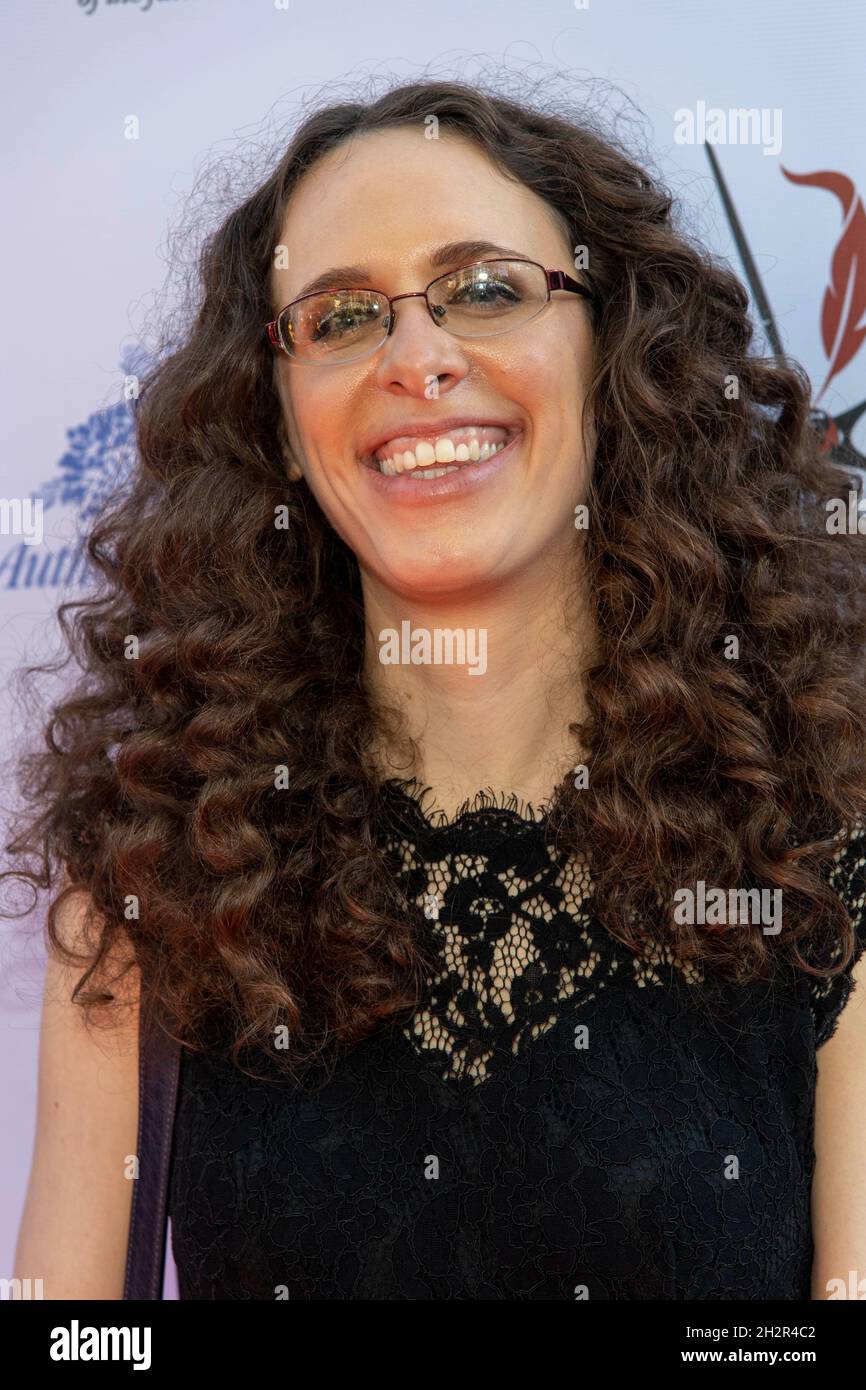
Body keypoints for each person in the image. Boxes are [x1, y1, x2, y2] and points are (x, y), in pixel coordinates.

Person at [11, 77, 866, 1300]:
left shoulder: (818, 847)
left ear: (613, 354)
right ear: (276, 415)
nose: (418, 358)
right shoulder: (154, 875)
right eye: (341, 315)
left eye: (484, 290)